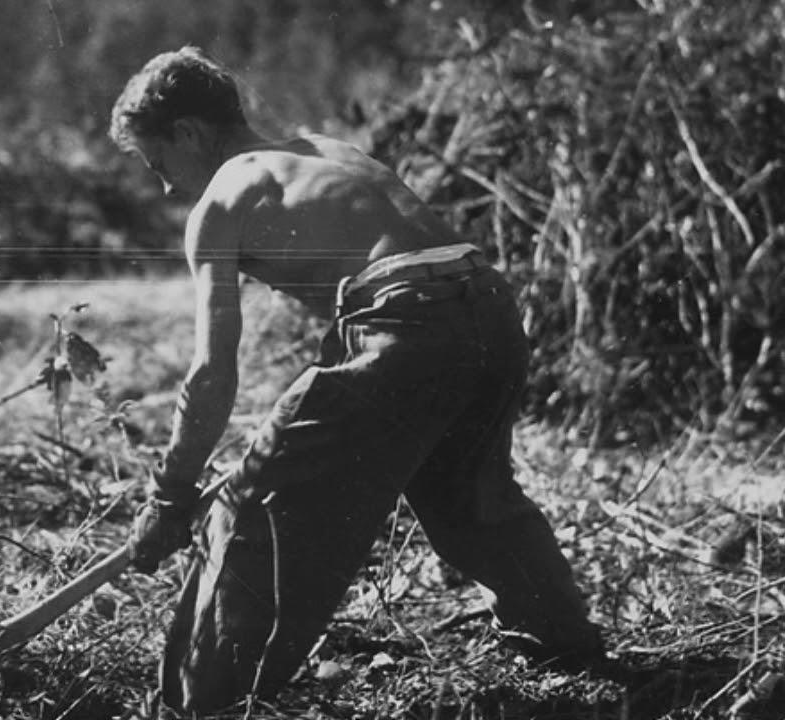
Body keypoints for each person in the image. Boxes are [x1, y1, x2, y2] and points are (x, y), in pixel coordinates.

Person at [109, 47, 604, 715]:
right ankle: (566, 650)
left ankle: (199, 707)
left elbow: (210, 371)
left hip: (406, 322)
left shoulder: (223, 198)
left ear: (189, 133)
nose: (167, 187)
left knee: (251, 515)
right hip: (487, 307)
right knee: (468, 499)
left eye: (159, 164)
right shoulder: (323, 150)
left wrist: (169, 497)